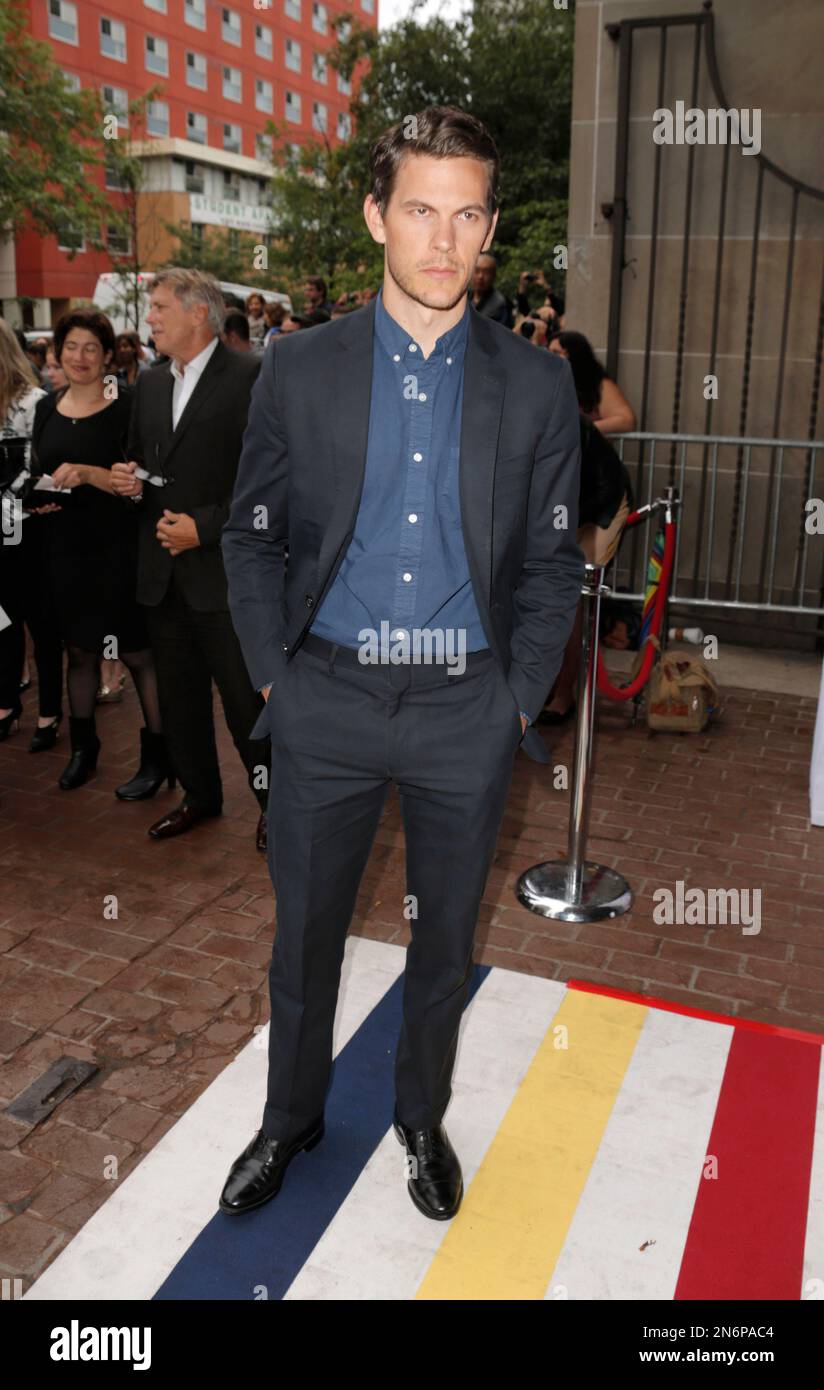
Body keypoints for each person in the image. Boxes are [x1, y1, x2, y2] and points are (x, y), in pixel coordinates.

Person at [219, 105, 583, 1221]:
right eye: (418, 209)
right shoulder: (298, 366)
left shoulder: (535, 383)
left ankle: (419, 1119)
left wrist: (514, 696)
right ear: (377, 215)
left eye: (465, 214)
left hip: (463, 709)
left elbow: (552, 563)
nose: (441, 240)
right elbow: (251, 533)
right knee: (306, 935)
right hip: (324, 691)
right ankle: (289, 1119)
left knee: (443, 937)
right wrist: (278, 674)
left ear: (488, 230)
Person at [110, 268, 270, 852]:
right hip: (161, 575)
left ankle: (275, 804)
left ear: (198, 313)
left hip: (225, 578)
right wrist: (129, 477)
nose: (148, 317)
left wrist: (203, 528)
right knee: (178, 701)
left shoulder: (253, 377)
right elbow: (141, 458)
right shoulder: (149, 384)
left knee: (244, 703)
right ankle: (200, 795)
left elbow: (274, 486)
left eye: (157, 307)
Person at [28, 308, 170, 795]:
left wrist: (89, 473)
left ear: (109, 356)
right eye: (70, 347)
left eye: (91, 348)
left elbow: (146, 485)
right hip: (65, 548)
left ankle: (158, 756)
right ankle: (84, 751)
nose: (80, 357)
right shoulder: (48, 406)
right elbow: (40, 469)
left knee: (136, 654)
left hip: (120, 548)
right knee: (80, 651)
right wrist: (38, 498)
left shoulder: (124, 405)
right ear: (57, 354)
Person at [539, 413, 633, 723]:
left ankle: (565, 693)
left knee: (575, 595)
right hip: (564, 509)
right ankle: (540, 688)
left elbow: (595, 489)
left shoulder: (564, 422)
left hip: (602, 505)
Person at [0, 318, 64, 750]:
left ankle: (49, 712)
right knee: (1, 623)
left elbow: (46, 464)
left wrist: (17, 500)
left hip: (32, 528)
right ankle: (6, 704)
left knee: (42, 623)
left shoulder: (35, 401)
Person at [548, 330, 636, 435]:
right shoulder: (549, 382)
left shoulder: (597, 384)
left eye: (556, 353)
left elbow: (626, 421)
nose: (550, 357)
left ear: (573, 354)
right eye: (548, 352)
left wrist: (581, 431)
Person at [469, 251, 513, 326]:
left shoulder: (499, 304)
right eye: (477, 271)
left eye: (486, 272)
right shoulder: (464, 298)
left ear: (494, 276)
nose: (480, 276)